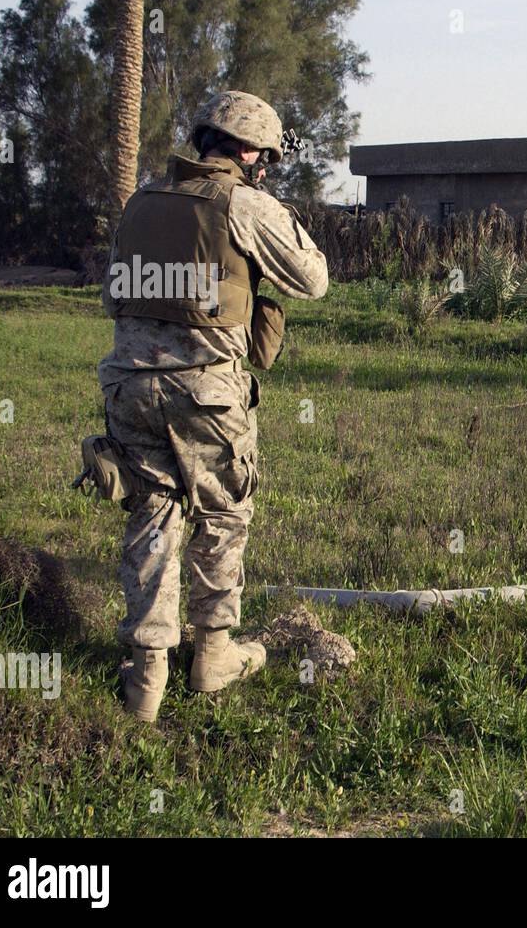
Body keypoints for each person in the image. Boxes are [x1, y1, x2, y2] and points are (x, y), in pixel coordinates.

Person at [98, 90, 328, 721]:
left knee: (151, 515)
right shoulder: (246, 204)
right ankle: (213, 656)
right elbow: (313, 278)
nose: (265, 168)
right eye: (266, 158)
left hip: (128, 387)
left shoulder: (140, 201)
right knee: (222, 514)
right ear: (250, 152)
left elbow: (114, 296)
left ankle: (147, 675)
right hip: (204, 392)